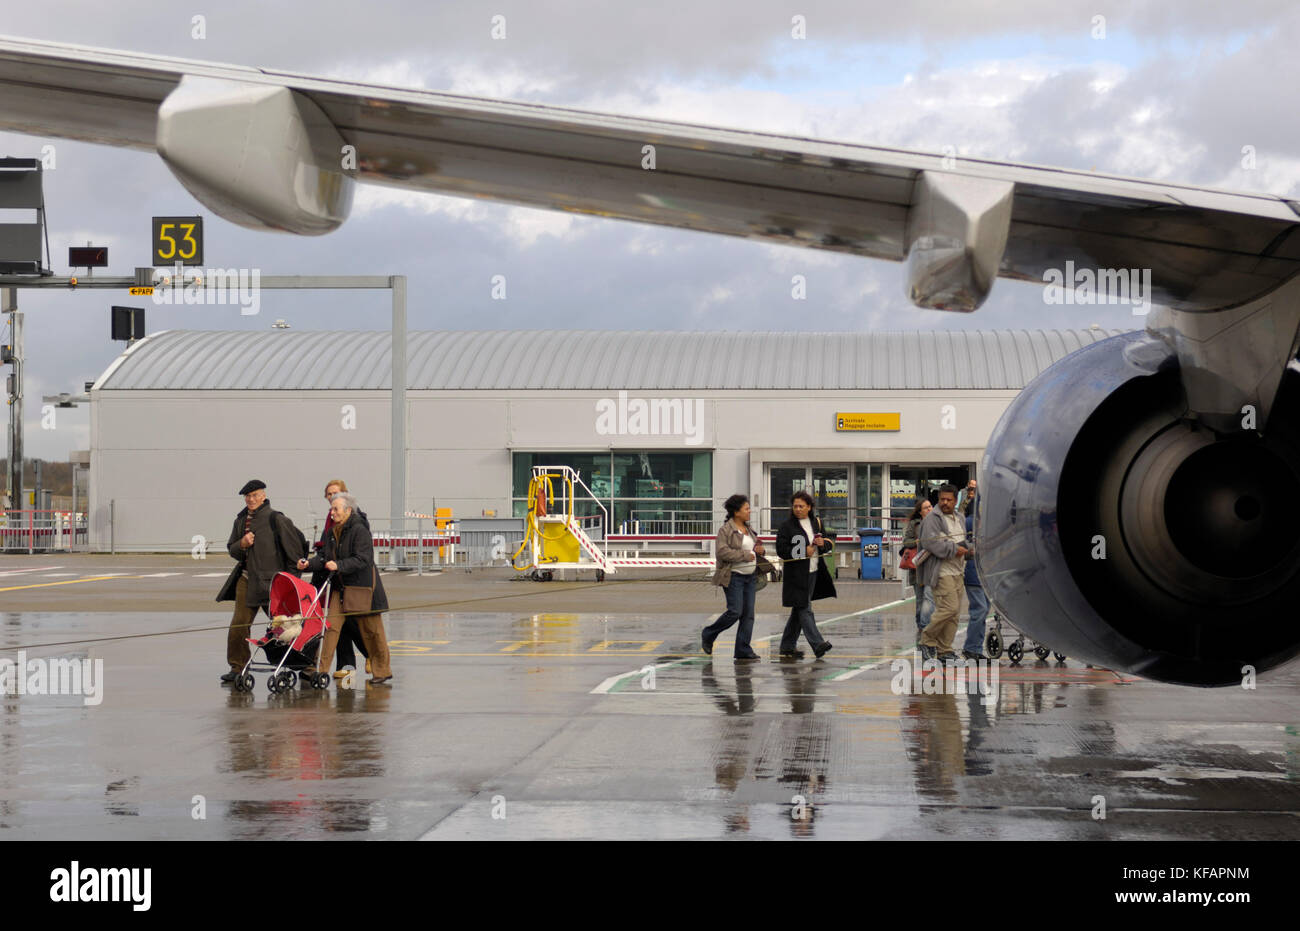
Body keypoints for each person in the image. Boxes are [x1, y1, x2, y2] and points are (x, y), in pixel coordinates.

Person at [216, 480, 308, 684]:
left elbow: (295, 555)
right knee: (239, 625)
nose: (251, 499)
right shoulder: (240, 520)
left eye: (255, 495)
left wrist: (291, 583)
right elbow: (232, 549)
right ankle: (238, 667)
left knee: (287, 627)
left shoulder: (277, 519)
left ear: (264, 496)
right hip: (247, 580)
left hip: (273, 585)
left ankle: (306, 666)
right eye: (248, 496)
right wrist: (242, 543)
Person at [298, 492, 393, 685]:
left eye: (336, 509)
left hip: (363, 590)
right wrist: (308, 564)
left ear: (348, 510)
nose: (332, 513)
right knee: (330, 629)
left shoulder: (359, 530)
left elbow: (363, 559)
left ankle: (382, 671)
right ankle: (321, 672)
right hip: (340, 589)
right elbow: (325, 558)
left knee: (372, 632)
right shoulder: (333, 532)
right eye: (331, 509)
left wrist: (339, 565)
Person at [313, 479, 371, 679]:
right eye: (328, 494)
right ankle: (341, 665)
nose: (331, 498)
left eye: (335, 493)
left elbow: (359, 552)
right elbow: (327, 548)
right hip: (334, 579)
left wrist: (339, 564)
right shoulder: (331, 519)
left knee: (352, 623)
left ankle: (369, 654)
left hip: (352, 582)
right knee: (337, 624)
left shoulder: (356, 519)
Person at [703, 493, 768, 660]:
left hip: (750, 577)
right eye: (746, 508)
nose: (749, 511)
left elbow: (755, 547)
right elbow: (722, 552)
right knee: (735, 611)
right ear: (736, 512)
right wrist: (746, 555)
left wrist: (760, 550)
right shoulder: (726, 530)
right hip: (733, 577)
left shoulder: (749, 529)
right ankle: (709, 633)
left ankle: (743, 649)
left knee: (748, 615)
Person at [775, 490, 836, 659]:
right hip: (796, 575)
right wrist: (803, 551)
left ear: (809, 507)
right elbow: (781, 550)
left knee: (798, 609)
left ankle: (787, 646)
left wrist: (822, 543)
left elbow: (828, 543)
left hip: (814, 571)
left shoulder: (816, 522)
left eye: (801, 506)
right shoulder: (787, 526)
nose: (798, 509)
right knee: (804, 608)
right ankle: (818, 644)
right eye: (795, 506)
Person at [917, 484, 970, 663]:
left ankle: (944, 649)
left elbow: (963, 540)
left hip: (958, 570)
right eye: (942, 499)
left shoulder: (960, 518)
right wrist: (955, 549)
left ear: (956, 501)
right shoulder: (932, 519)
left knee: (954, 614)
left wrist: (970, 550)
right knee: (949, 608)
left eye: (949, 500)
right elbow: (931, 544)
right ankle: (926, 639)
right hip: (941, 571)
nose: (945, 503)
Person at [901, 498, 932, 639]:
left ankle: (927, 626)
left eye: (930, 506)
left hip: (932, 567)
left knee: (929, 598)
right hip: (917, 568)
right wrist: (916, 542)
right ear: (920, 512)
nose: (929, 509)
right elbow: (905, 542)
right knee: (920, 600)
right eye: (926, 508)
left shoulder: (936, 522)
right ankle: (921, 626)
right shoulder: (914, 524)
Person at [962, 507, 988, 660]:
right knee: (980, 610)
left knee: (983, 612)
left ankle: (976, 648)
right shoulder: (970, 522)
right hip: (973, 573)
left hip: (985, 574)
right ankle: (971, 648)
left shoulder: (985, 522)